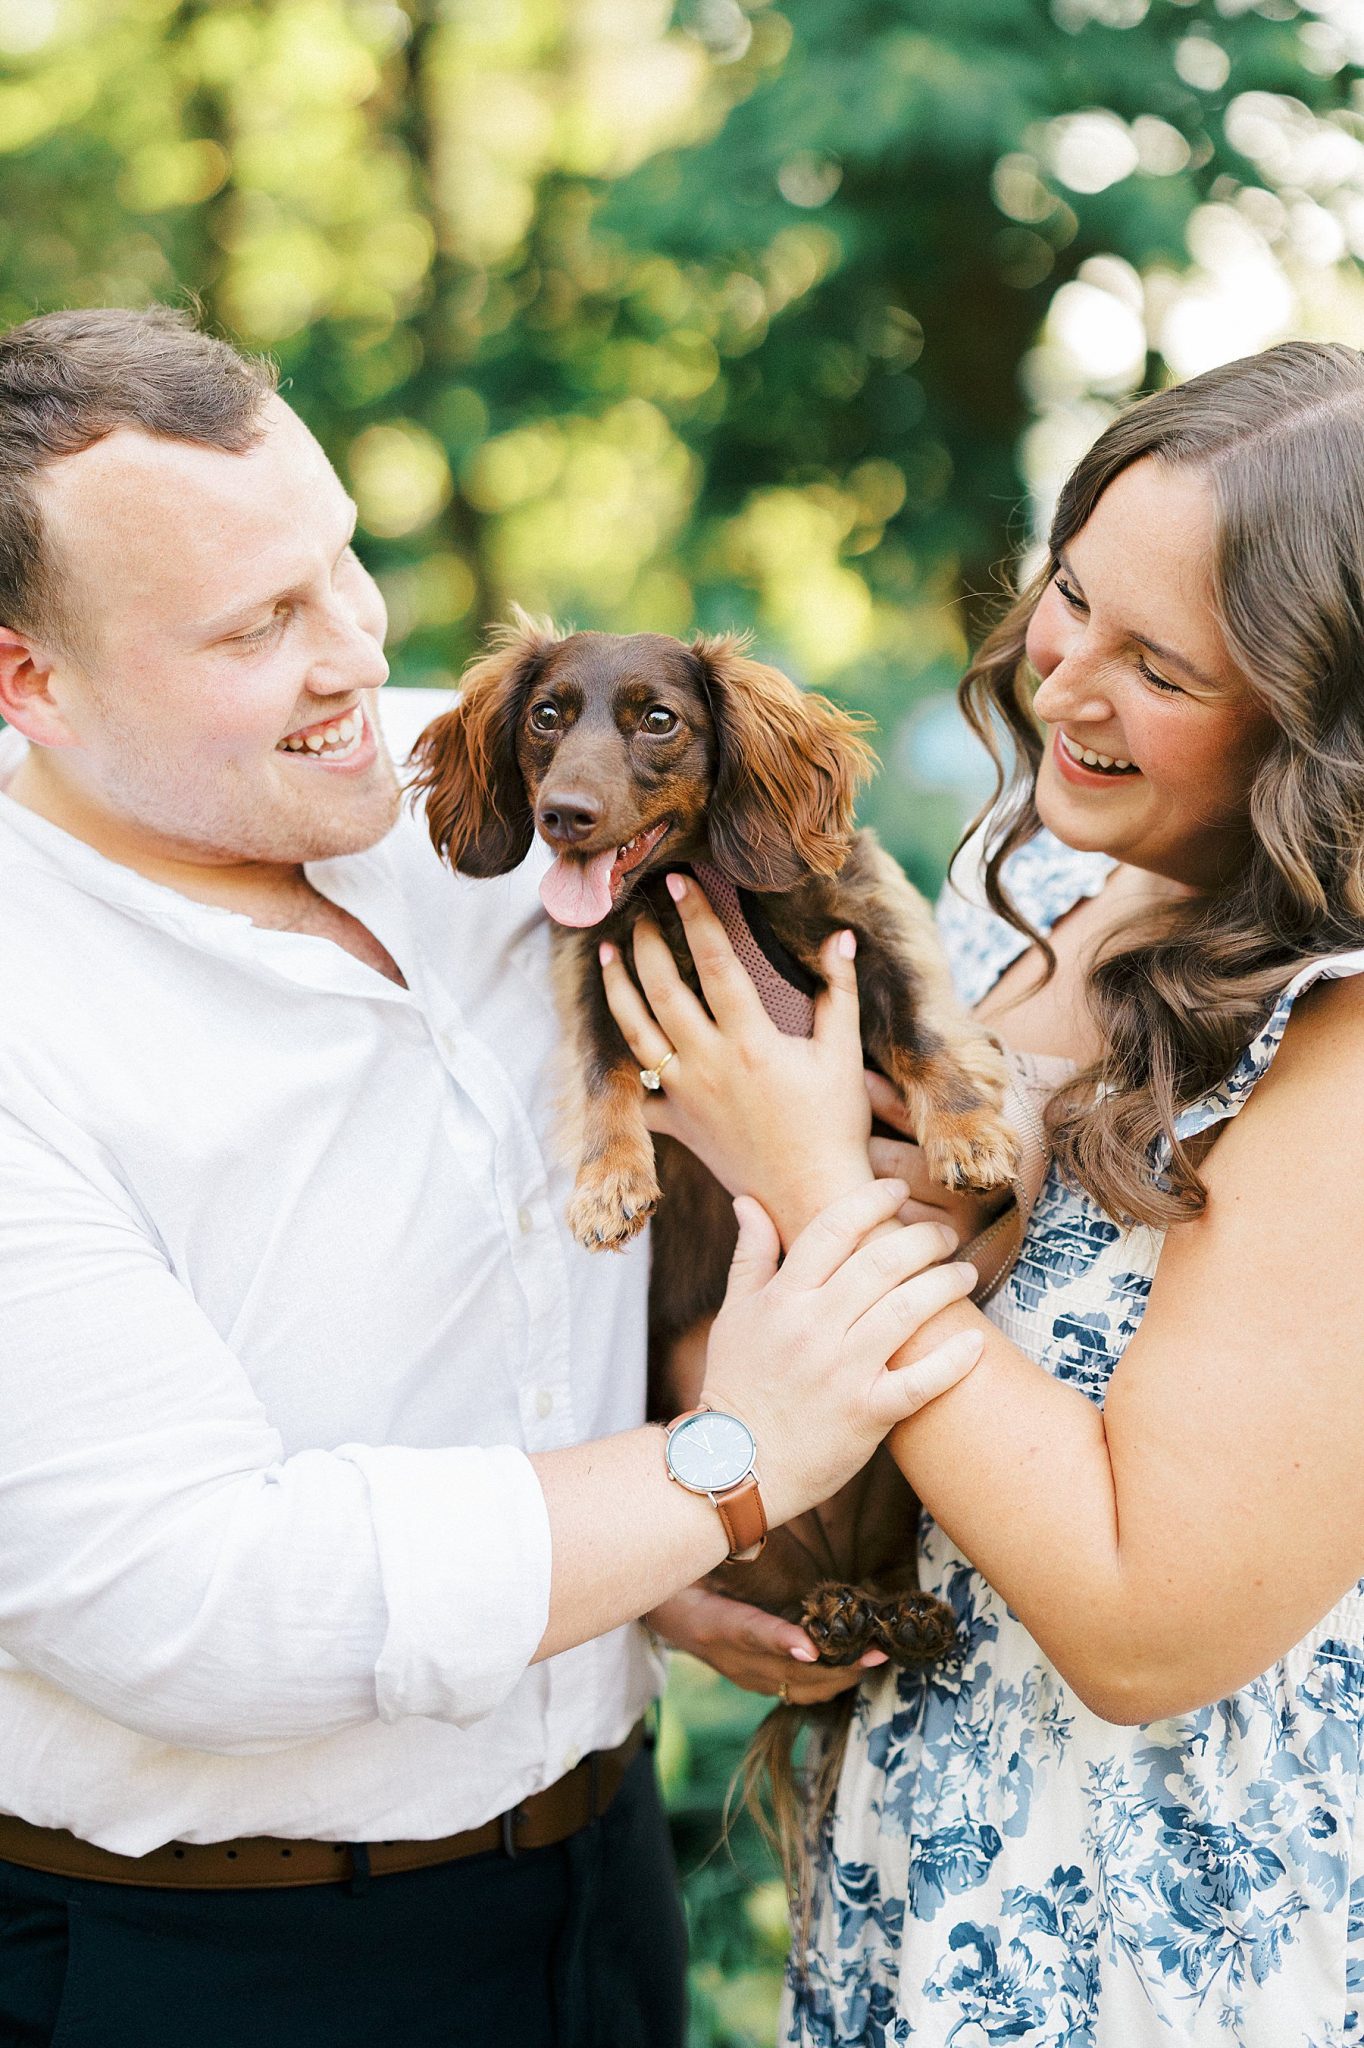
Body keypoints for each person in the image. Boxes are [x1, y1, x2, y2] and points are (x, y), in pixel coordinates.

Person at [0, 306, 987, 2048]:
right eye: (257, 626)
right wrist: (728, 1468)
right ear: (30, 679)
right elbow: (197, 1604)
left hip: (601, 1893)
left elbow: (842, 885)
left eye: (344, 569)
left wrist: (645, 1568)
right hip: (216, 1972)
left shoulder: (484, 787)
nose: (352, 664)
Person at [600, 340, 1364, 2046]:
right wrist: (721, 1535)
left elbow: (1146, 1623)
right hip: (935, 1879)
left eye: (1156, 663)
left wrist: (805, 1165)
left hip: (1161, 1942)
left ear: (1324, 725)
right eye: (1070, 595)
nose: (1056, 680)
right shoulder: (1068, 894)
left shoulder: (1345, 1045)